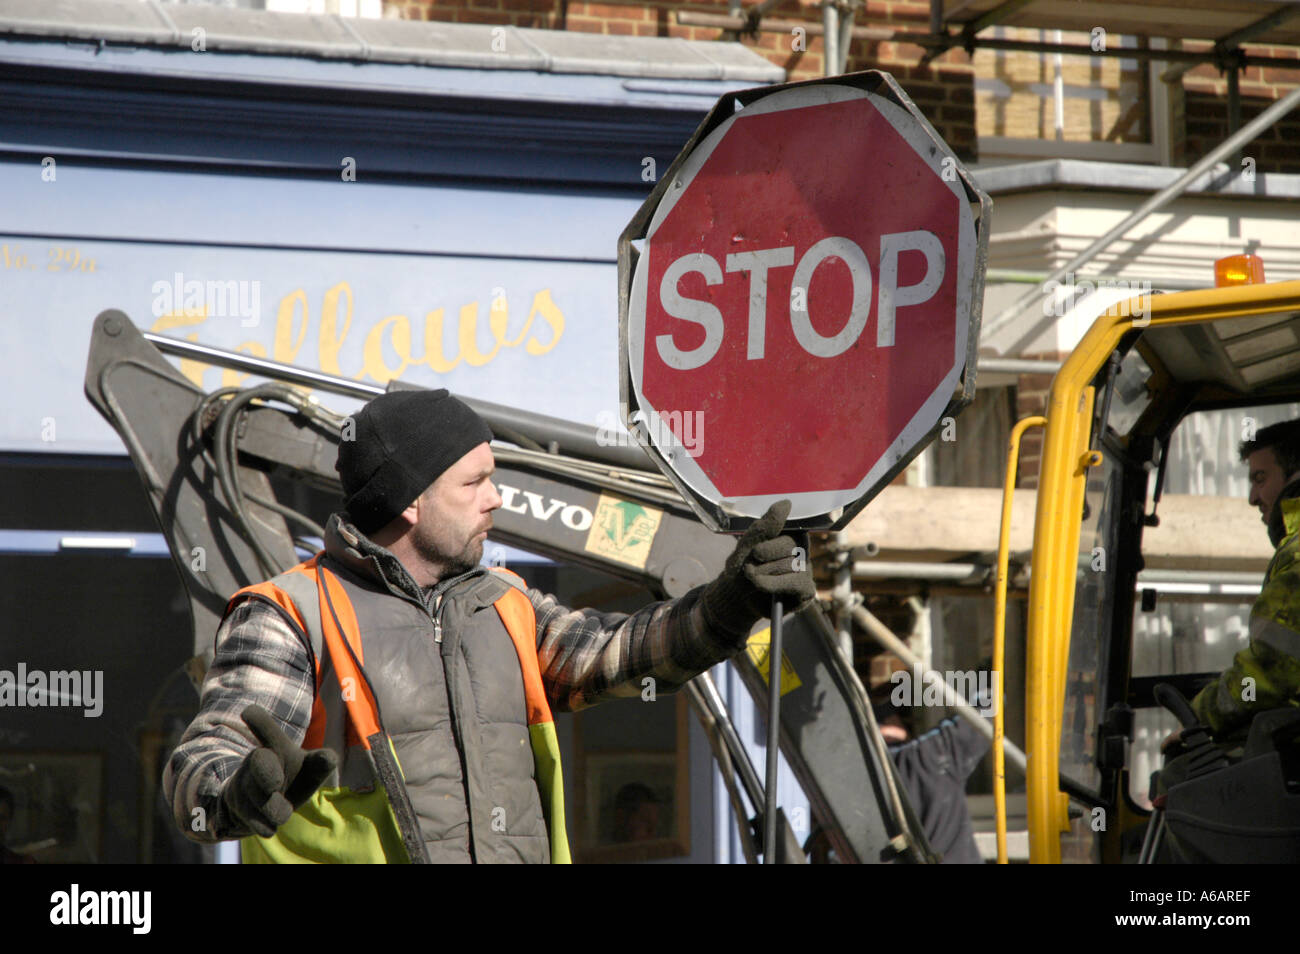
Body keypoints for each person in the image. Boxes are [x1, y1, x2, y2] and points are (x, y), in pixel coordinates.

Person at [163, 389, 814, 864]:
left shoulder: (506, 604)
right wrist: (232, 792)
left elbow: (620, 656)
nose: (496, 498)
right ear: (410, 501)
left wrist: (729, 603)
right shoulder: (292, 612)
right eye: (475, 482)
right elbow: (201, 762)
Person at [1167, 419, 1300, 748]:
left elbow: (1269, 672)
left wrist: (1196, 719)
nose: (1253, 498)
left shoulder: (1297, 557)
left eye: (1260, 478)